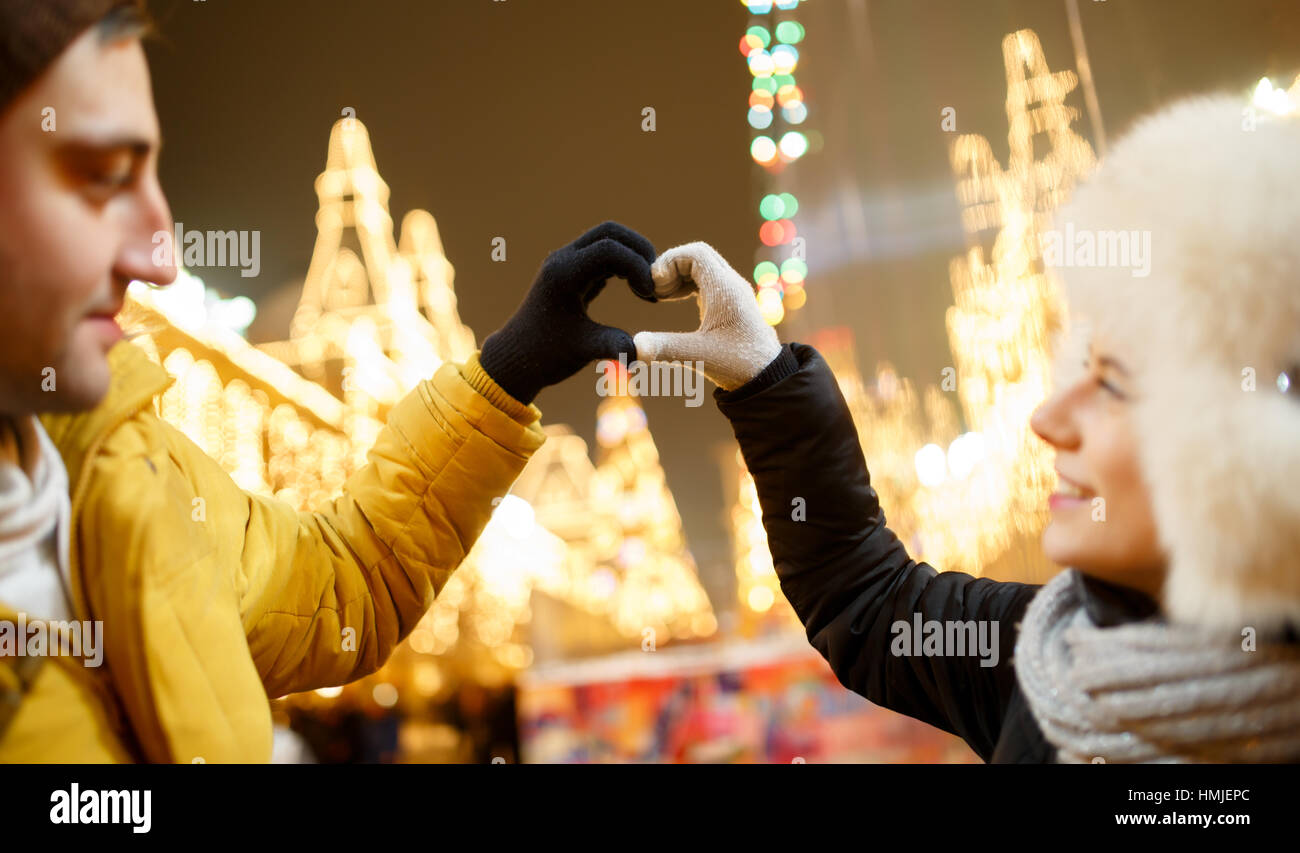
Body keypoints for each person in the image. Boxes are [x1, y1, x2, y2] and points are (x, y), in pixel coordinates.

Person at [0, 0, 655, 761]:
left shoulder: (127, 464)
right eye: (101, 177)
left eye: (150, 173)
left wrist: (506, 375)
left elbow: (346, 578)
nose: (159, 257)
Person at [634, 94, 1300, 763]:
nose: (1047, 420)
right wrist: (766, 381)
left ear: (1261, 456)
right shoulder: (1052, 655)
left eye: (1115, 383)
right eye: (1081, 367)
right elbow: (867, 599)